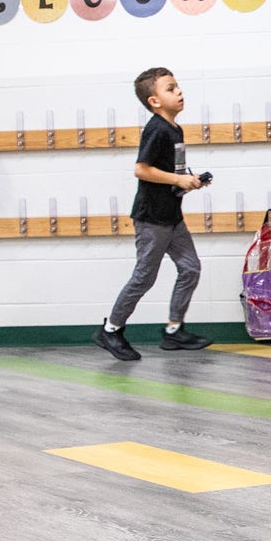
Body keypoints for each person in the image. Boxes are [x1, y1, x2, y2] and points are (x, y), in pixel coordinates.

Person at [93, 67, 212, 361]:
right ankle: (110, 329)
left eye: (177, 86)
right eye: (171, 89)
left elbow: (175, 173)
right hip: (151, 220)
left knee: (190, 268)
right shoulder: (156, 129)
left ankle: (173, 331)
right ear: (154, 101)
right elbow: (141, 169)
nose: (179, 92)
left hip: (172, 216)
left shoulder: (175, 129)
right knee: (144, 277)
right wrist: (178, 180)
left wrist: (190, 181)